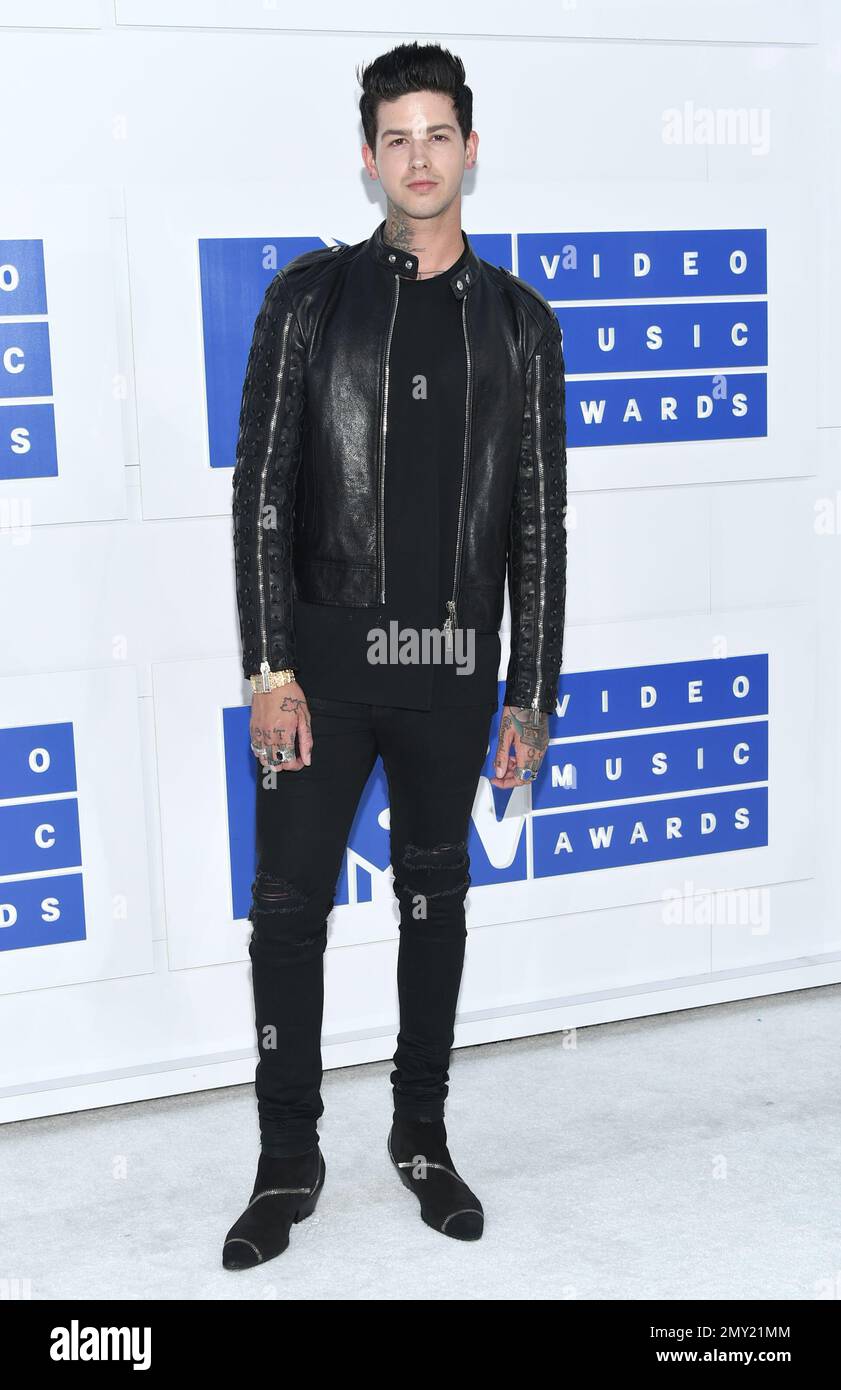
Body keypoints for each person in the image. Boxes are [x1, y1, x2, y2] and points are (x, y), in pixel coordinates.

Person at [223, 40, 568, 1269]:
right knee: (286, 917)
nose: (418, 158)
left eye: (439, 135)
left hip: (450, 676)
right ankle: (286, 1156)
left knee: (436, 905)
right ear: (367, 159)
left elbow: (539, 523)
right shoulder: (308, 300)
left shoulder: (525, 329)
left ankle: (419, 1136)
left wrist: (531, 689)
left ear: (470, 150)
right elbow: (263, 493)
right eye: (396, 137)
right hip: (318, 673)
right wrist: (269, 666)